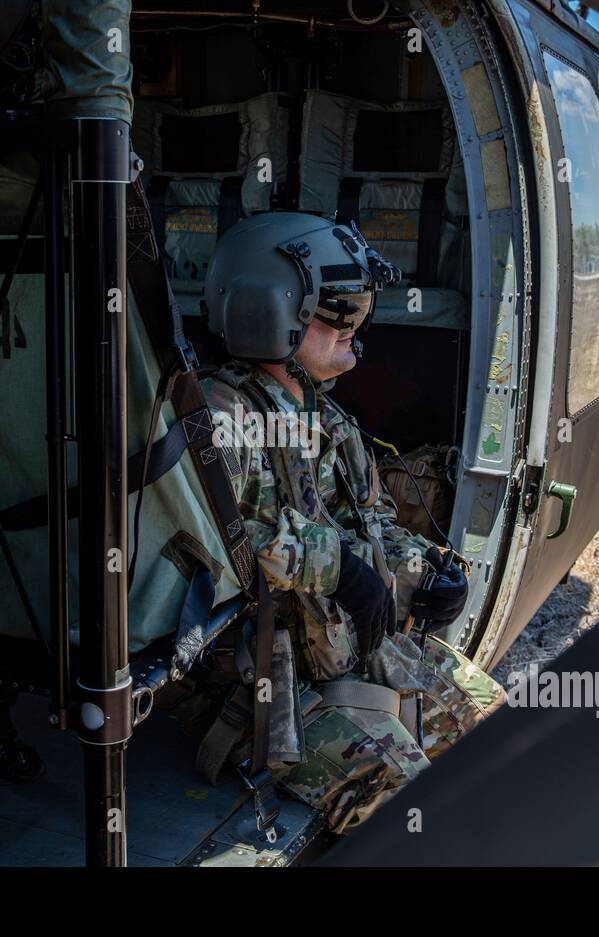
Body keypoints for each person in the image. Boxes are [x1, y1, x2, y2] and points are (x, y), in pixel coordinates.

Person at [185, 212, 506, 834]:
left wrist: (423, 572)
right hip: (258, 692)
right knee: (419, 817)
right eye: (340, 314)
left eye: (361, 313)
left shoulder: (328, 420)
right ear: (268, 314)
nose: (355, 333)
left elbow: (373, 522)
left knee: (494, 724)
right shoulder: (218, 418)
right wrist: (336, 567)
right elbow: (210, 546)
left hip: (339, 653)